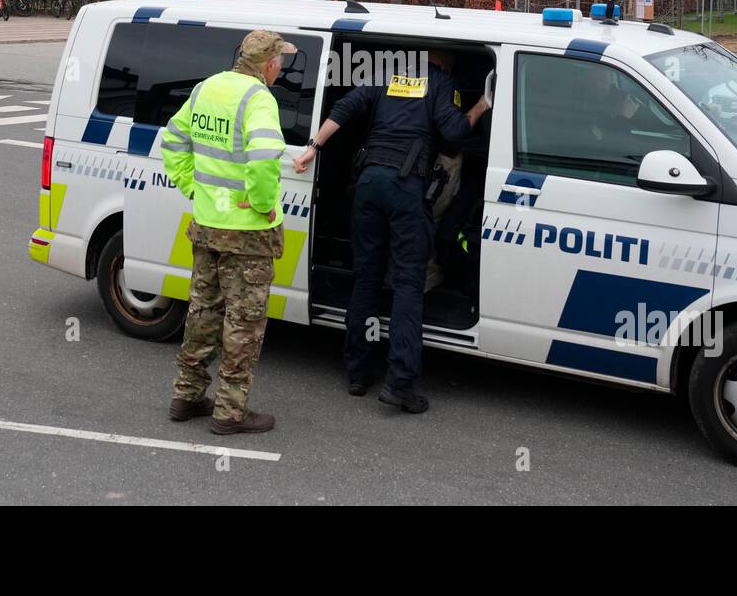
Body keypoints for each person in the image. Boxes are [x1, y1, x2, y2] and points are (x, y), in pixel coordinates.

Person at [294, 50, 490, 412]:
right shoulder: (441, 83)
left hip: (368, 185)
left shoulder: (386, 77)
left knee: (366, 277)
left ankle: (357, 372)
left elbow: (344, 108)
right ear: (444, 62)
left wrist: (312, 148)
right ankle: (400, 382)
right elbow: (455, 131)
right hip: (405, 189)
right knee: (407, 284)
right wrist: (480, 106)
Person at [161, 30, 295, 435]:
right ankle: (230, 412)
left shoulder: (206, 88)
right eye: (280, 61)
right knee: (243, 322)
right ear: (267, 64)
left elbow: (171, 140)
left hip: (207, 224)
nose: (281, 67)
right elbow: (263, 158)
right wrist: (259, 203)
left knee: (202, 312)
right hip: (247, 232)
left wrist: (192, 187)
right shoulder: (258, 99)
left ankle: (186, 395)